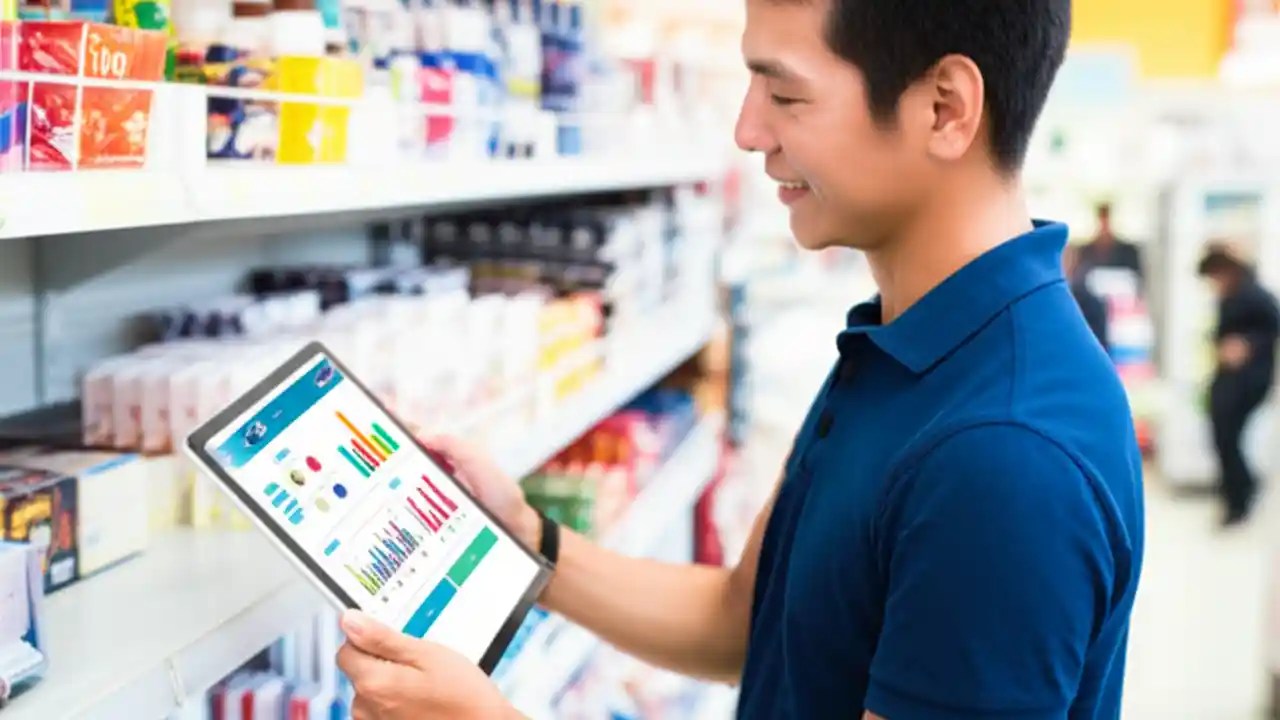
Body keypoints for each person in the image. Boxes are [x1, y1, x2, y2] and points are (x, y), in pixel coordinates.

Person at [335, 1, 1146, 718]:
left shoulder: (1003, 456)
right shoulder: (906, 344)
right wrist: (523, 535)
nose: (747, 131)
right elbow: (744, 621)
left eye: (785, 93)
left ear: (944, 108)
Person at [1198, 243, 1279, 526]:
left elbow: (1272, 327)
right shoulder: (1229, 295)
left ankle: (1240, 496)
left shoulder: (1254, 294)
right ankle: (1237, 493)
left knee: (1228, 438)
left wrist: (1246, 344)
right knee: (1223, 438)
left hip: (1247, 380)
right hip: (1228, 379)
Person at [1076, 202, 1144, 288]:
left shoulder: (1128, 251)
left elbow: (1136, 278)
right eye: (1102, 221)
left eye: (1106, 221)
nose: (1104, 226)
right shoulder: (1086, 251)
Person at [1064, 243, 1111, 350]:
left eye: (1066, 257)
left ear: (1074, 261)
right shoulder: (1039, 301)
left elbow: (1102, 347)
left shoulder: (1091, 304)